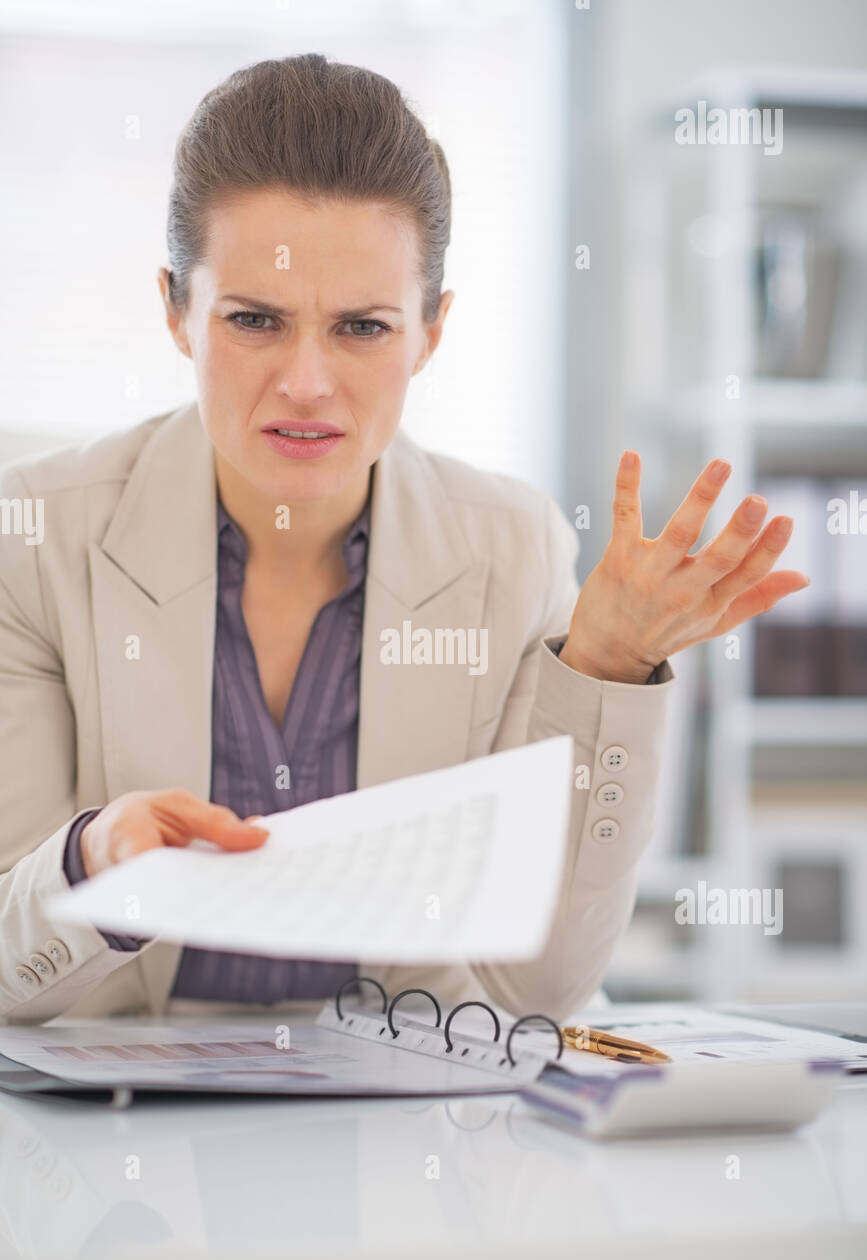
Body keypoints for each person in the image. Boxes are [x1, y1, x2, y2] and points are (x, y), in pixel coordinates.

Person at [0, 54, 806, 1026]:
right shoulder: (35, 539)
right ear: (177, 312)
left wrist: (607, 667)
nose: (307, 383)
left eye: (362, 328)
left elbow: (538, 989)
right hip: (119, 1114)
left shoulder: (513, 551)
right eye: (254, 320)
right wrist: (90, 863)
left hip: (416, 1111)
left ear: (432, 330)